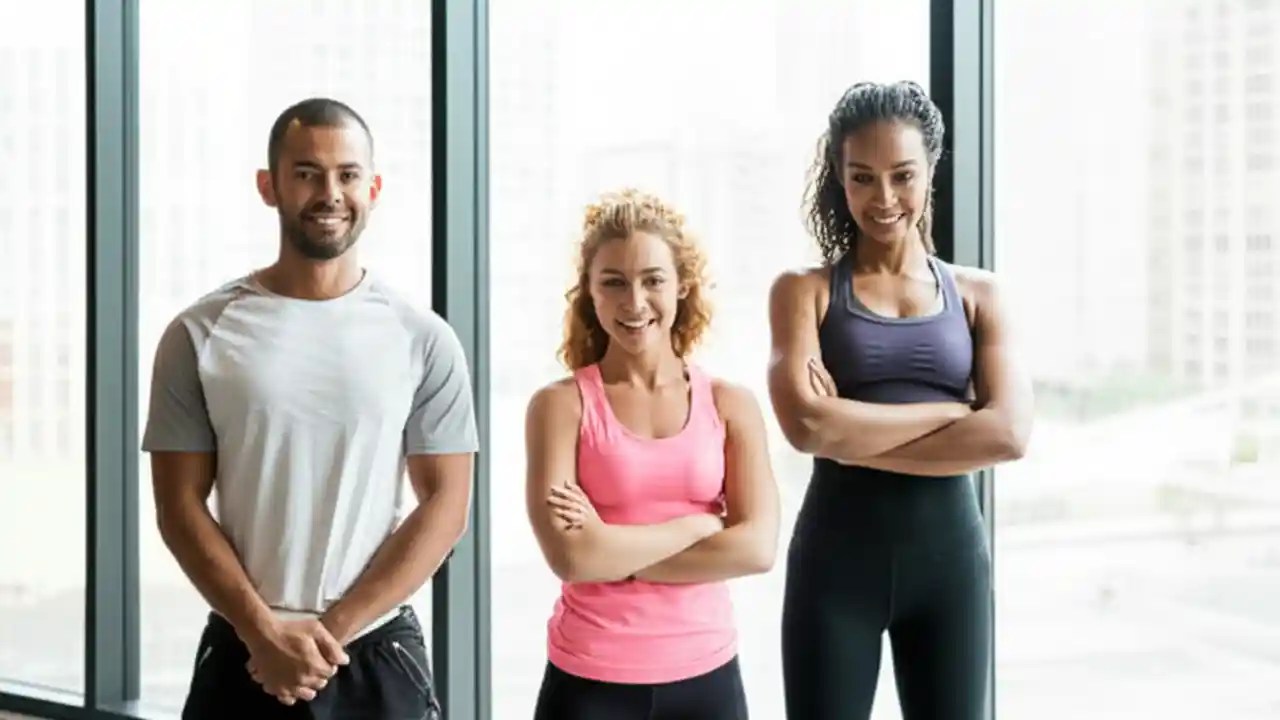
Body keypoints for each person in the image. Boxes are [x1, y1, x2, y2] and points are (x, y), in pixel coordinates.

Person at [142, 97, 477, 719]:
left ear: (373, 188)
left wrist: (329, 635)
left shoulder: (422, 337)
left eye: (348, 175)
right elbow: (178, 506)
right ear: (268, 186)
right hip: (243, 647)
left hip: (375, 652)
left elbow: (447, 506)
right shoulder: (199, 333)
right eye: (306, 173)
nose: (330, 194)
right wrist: (262, 631)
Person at [766, 80, 1034, 720]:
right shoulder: (803, 291)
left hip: (951, 571)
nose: (883, 199)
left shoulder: (980, 295)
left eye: (902, 176)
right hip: (835, 569)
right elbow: (807, 427)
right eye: (862, 178)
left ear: (930, 171)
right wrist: (951, 414)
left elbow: (1008, 434)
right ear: (839, 178)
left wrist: (850, 434)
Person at [523, 188, 780, 720]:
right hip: (590, 679)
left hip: (707, 675)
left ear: (682, 284)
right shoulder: (560, 406)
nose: (634, 302)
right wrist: (699, 527)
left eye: (653, 280)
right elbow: (572, 558)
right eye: (613, 282)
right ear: (590, 291)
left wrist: (612, 553)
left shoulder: (730, 404)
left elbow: (756, 549)